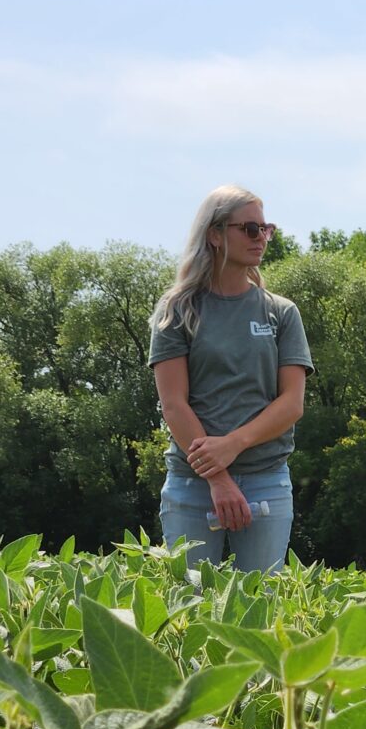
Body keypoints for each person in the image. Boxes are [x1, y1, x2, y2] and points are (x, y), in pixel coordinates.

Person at [148, 186, 313, 573]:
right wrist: (218, 478)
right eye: (250, 228)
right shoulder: (177, 310)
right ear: (215, 234)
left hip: (266, 480)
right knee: (188, 608)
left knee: (260, 611)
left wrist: (232, 445)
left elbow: (291, 404)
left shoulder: (282, 313)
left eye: (266, 228)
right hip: (193, 484)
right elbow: (174, 404)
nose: (262, 238)